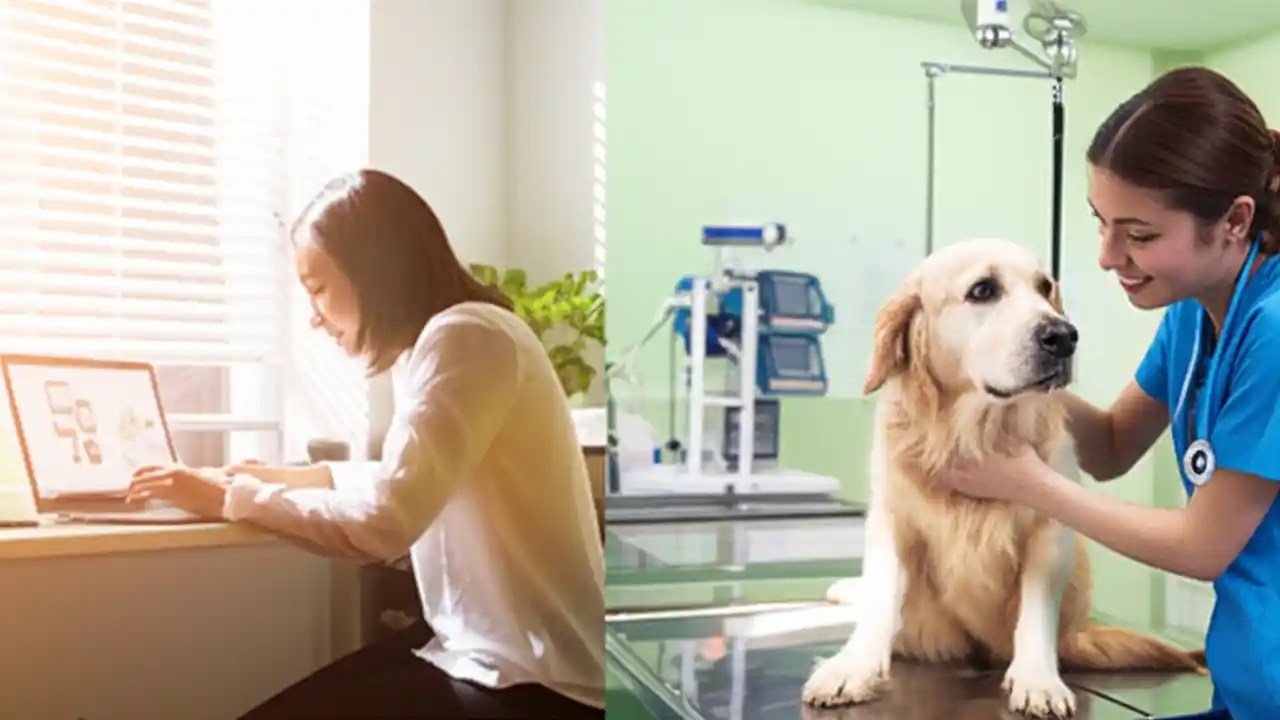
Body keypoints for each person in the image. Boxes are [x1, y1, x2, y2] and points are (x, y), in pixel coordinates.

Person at [127, 168, 606, 718]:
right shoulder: (442, 342)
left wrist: (230, 500)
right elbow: (404, 477)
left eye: (319, 290)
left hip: (537, 681)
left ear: (374, 271)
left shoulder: (467, 336)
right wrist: (268, 477)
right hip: (479, 655)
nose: (314, 318)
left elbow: (385, 521)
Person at [932, 66, 1280, 720]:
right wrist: (1006, 365)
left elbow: (1203, 547)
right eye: (1102, 223)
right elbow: (1113, 445)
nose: (1108, 255)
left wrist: (1027, 483)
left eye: (1140, 235)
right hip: (1248, 692)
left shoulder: (1276, 328)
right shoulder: (1192, 311)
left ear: (1234, 220)